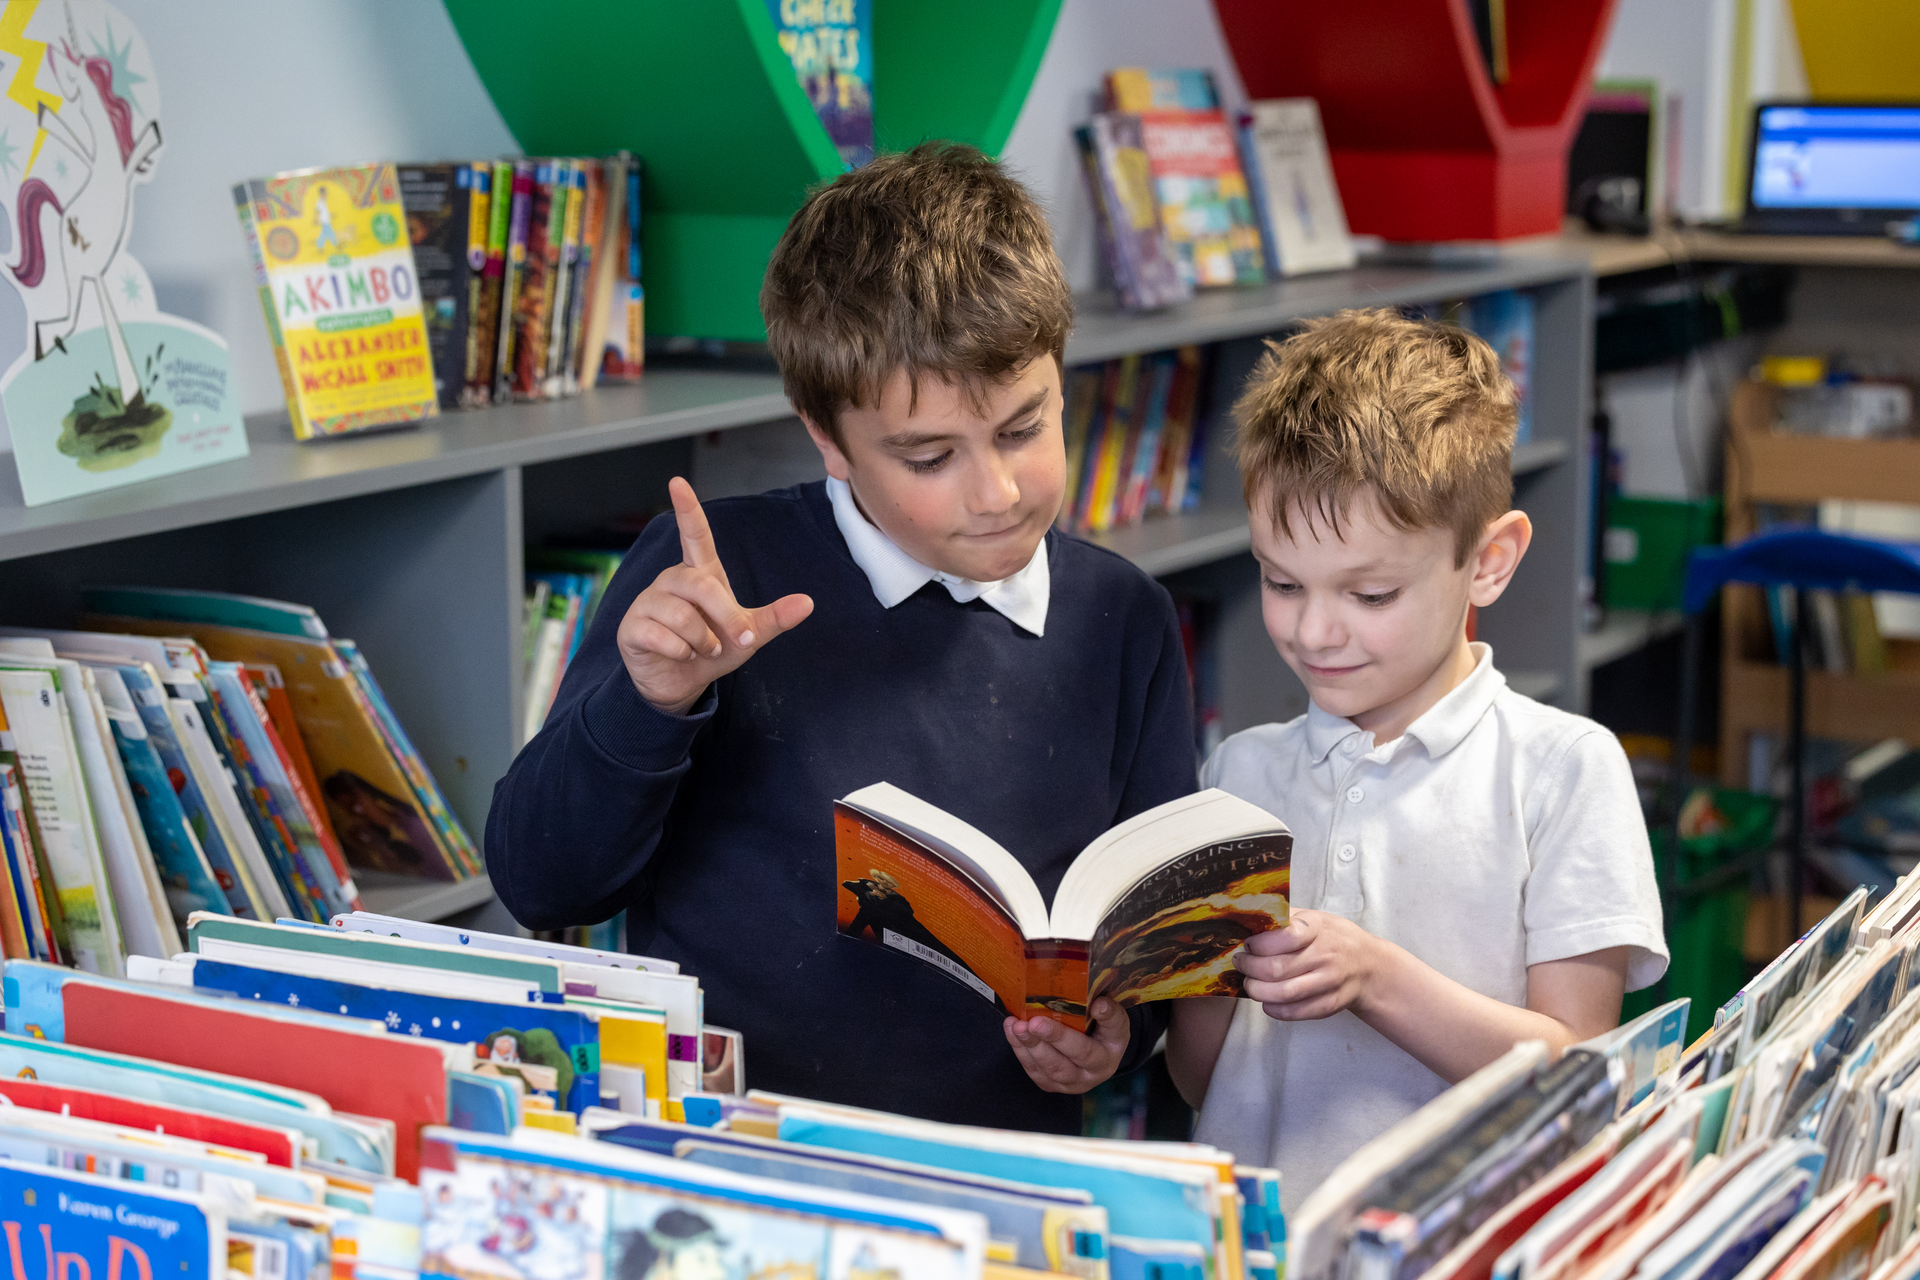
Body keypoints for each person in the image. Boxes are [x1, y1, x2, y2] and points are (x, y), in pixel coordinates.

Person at [485, 143, 1197, 1133]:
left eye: (1024, 428)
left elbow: (1153, 950)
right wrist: (649, 701)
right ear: (827, 437)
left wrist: (1117, 1034)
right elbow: (543, 882)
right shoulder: (717, 579)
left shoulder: (1124, 618)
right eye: (929, 456)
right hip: (736, 1156)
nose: (996, 492)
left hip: (995, 1169)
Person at [1010, 308, 1666, 1212]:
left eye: (1370, 593)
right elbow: (1204, 1083)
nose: (1314, 631)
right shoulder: (1238, 775)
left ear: (1489, 560)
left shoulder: (1563, 771)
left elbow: (1581, 1074)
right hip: (1257, 1237)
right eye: (1282, 582)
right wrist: (1141, 1005)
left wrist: (1376, 980)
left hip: (1461, 1241)